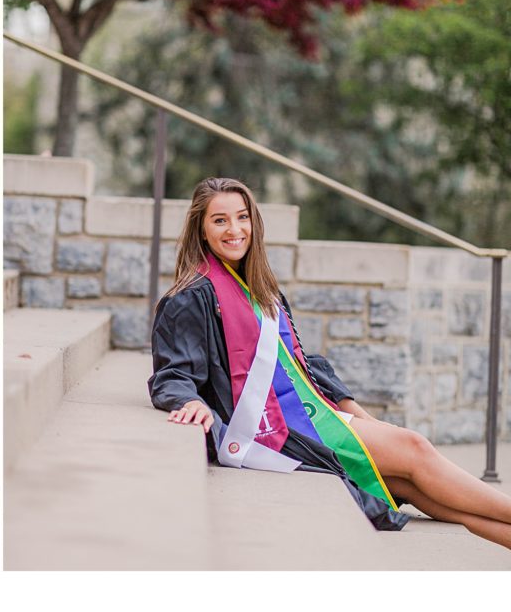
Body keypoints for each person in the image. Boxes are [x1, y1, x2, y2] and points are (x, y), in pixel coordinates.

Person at [149, 176, 511, 549]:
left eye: (242, 217)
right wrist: (187, 400)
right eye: (220, 220)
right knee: (414, 448)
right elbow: (173, 372)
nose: (235, 229)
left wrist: (354, 410)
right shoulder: (191, 298)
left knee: (409, 484)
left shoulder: (261, 288)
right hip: (278, 428)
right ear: (201, 230)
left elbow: (303, 362)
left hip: (310, 410)